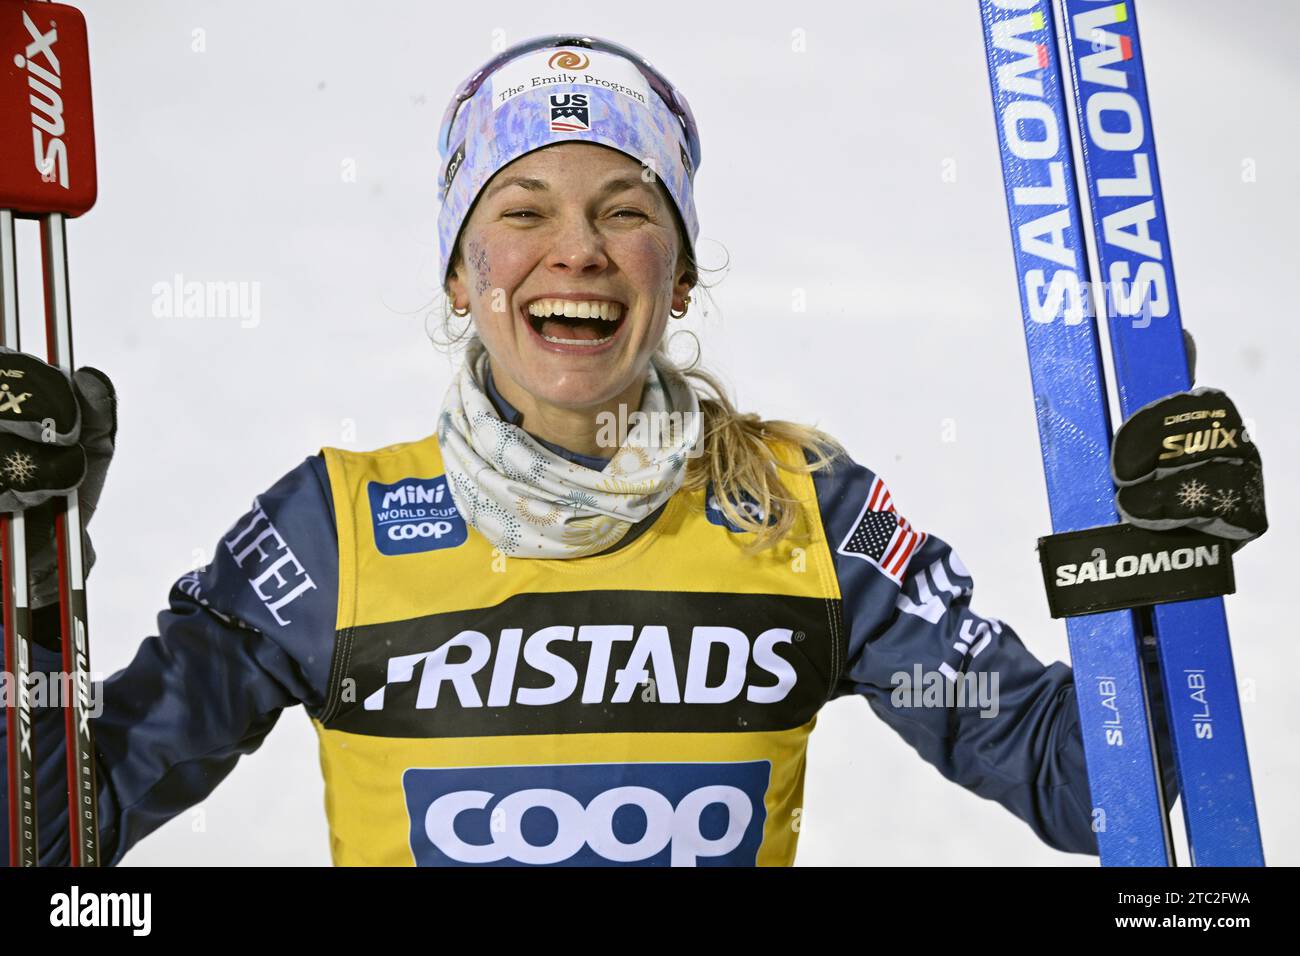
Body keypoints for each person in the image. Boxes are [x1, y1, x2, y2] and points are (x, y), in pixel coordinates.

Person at [0, 34, 1266, 867]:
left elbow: (1083, 780)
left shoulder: (799, 514)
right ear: (460, 273)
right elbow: (59, 834)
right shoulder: (331, 532)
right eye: (522, 210)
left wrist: (1151, 579)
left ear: (681, 267)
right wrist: (29, 601)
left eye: (624, 211)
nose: (578, 251)